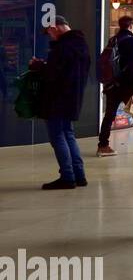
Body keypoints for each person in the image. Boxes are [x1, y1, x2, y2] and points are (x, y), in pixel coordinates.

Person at [29, 16, 92, 190]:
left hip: (57, 99)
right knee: (68, 134)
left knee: (57, 136)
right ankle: (79, 175)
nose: (50, 36)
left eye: (49, 32)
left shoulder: (62, 47)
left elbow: (52, 74)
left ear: (55, 27)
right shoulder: (82, 45)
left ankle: (67, 176)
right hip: (73, 97)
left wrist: (38, 66)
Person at [97, 16, 133, 156]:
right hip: (127, 86)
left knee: (109, 116)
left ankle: (103, 145)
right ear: (131, 25)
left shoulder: (113, 39)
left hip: (112, 85)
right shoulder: (131, 40)